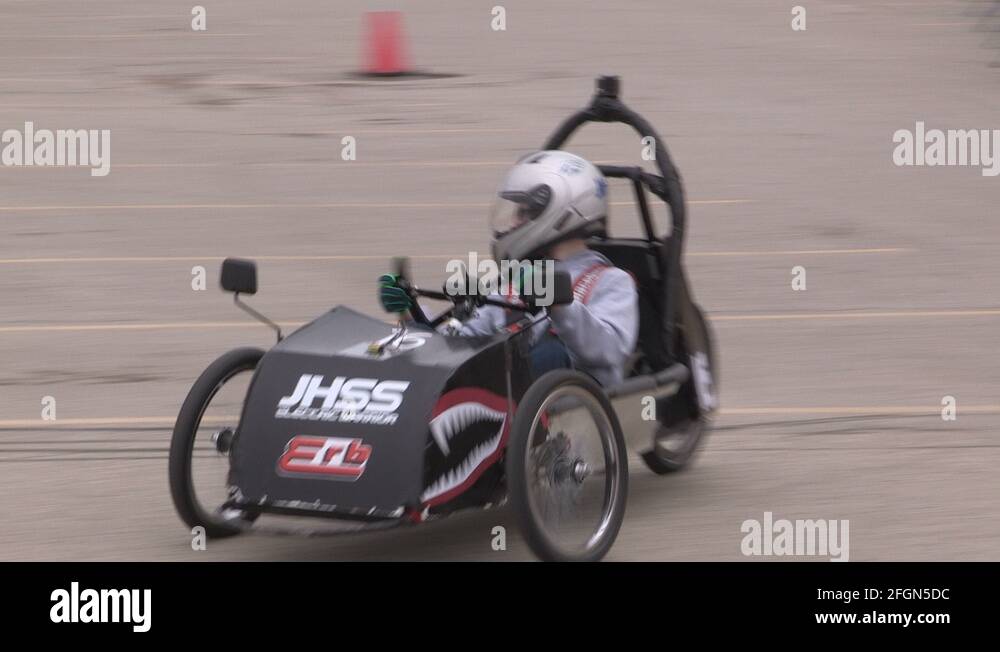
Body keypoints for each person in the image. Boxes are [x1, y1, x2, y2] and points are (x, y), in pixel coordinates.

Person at [379, 150, 639, 387]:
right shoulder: (515, 281)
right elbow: (463, 341)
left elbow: (610, 349)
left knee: (552, 353)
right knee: (432, 347)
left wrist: (561, 306)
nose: (514, 222)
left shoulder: (612, 281)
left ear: (562, 212)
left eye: (523, 213)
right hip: (506, 405)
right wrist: (411, 314)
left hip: (578, 405)